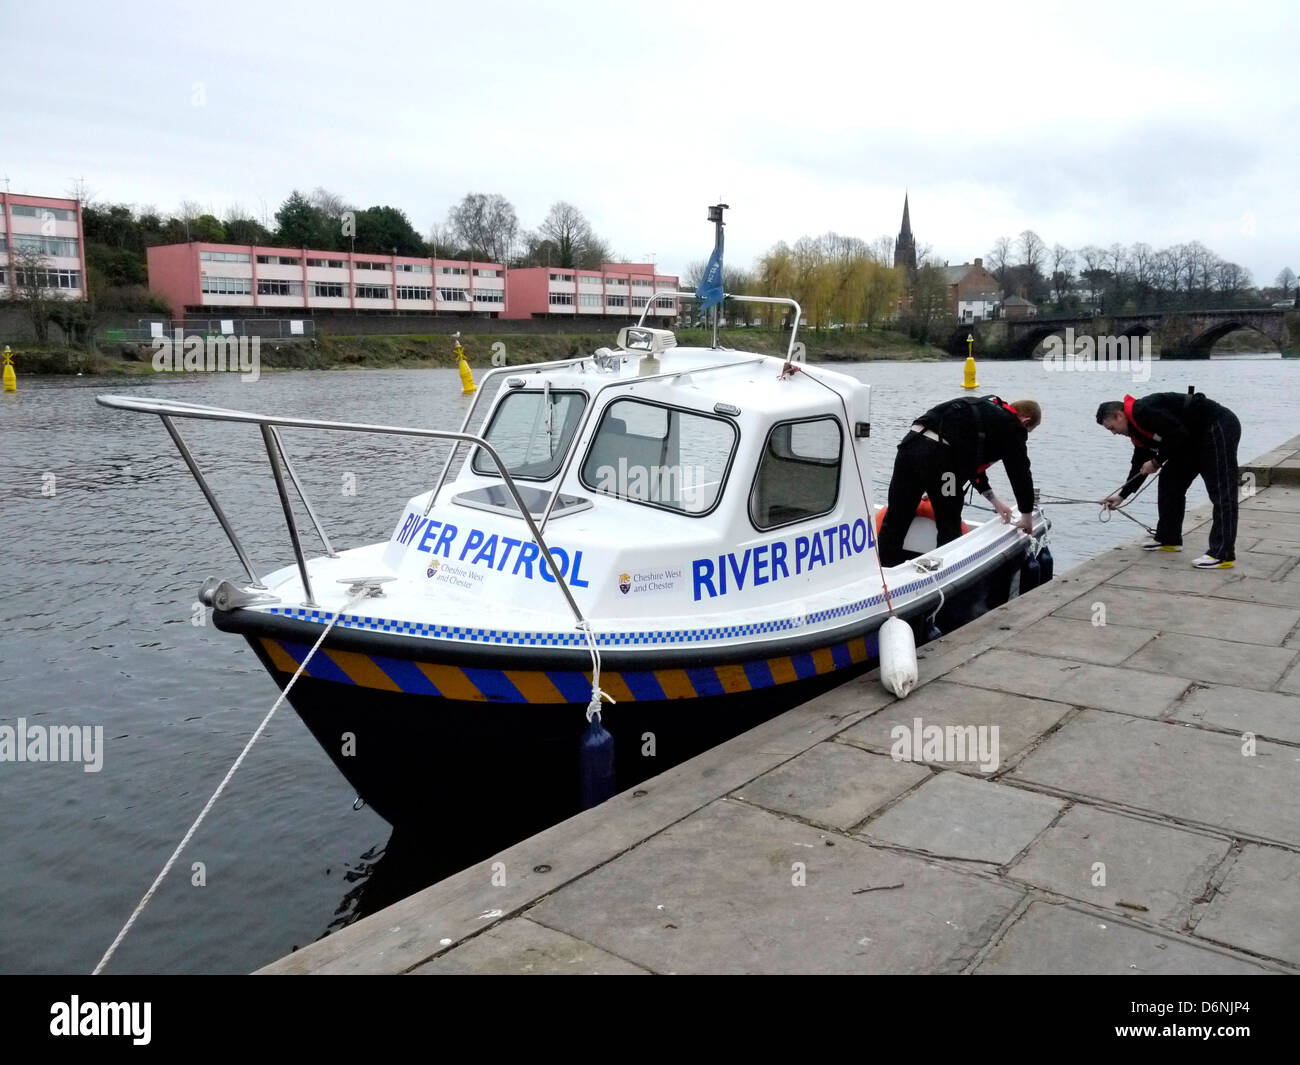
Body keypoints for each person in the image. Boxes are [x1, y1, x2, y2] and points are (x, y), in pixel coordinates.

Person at [878, 395, 1040, 567]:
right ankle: (942, 575)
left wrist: (995, 501)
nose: (1025, 434)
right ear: (1025, 420)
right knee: (949, 521)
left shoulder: (982, 410)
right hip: (939, 457)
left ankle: (885, 571)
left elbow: (970, 463)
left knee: (896, 517)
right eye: (1029, 430)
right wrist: (1027, 516)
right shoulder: (1013, 427)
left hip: (910, 445)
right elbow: (1020, 473)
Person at [1096, 391, 1241, 569]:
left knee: (1221, 492)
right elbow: (1140, 464)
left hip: (1216, 426)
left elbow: (1177, 433)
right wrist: (1122, 495)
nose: (1114, 433)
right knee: (1169, 482)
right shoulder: (1136, 431)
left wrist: (1156, 462)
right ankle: (1169, 538)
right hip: (1191, 439)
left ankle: (1222, 554)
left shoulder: (1142, 412)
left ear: (1119, 415)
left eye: (1111, 428)